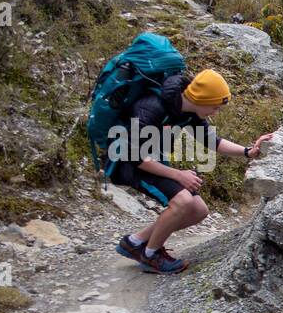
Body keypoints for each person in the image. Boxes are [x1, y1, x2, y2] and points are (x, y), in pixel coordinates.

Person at [109, 69, 272, 273]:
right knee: (183, 202)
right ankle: (150, 255)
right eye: (214, 108)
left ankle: (134, 242)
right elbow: (134, 157)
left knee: (198, 211)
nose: (215, 113)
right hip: (126, 163)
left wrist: (249, 152)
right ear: (202, 99)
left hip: (152, 159)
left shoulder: (188, 111)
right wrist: (178, 174)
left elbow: (213, 141)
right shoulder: (151, 107)